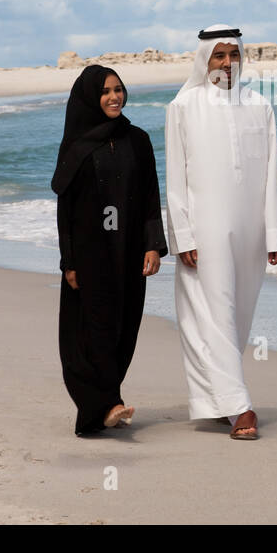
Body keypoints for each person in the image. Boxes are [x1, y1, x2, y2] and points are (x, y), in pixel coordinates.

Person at [164, 25, 277, 440]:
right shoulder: (184, 106)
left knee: (237, 316)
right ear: (205, 59)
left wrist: (276, 233)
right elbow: (176, 177)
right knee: (216, 312)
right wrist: (182, 234)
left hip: (251, 228)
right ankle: (240, 408)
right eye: (218, 55)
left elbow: (273, 174)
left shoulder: (260, 106)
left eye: (232, 55)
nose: (226, 63)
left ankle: (213, 401)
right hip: (206, 225)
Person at [52, 64, 167, 436]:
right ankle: (106, 405)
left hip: (130, 249)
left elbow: (151, 196)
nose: (114, 97)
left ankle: (106, 406)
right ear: (89, 98)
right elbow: (65, 209)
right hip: (90, 252)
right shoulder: (77, 146)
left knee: (124, 327)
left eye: (118, 89)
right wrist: (68, 261)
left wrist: (153, 246)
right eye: (105, 91)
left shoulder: (138, 139)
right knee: (94, 329)